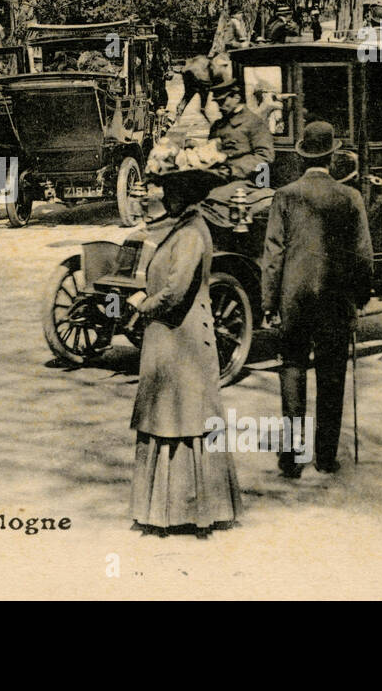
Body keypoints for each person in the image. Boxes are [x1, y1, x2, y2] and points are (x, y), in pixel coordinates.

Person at [128, 143, 241, 535]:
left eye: (166, 189)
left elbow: (175, 292)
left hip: (185, 340)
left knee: (184, 420)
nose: (159, 195)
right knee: (169, 418)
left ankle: (190, 511)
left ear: (183, 193)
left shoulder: (192, 233)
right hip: (171, 341)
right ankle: (166, 510)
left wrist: (142, 304)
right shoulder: (180, 227)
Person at [261, 122, 373, 477]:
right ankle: (325, 456)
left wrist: (269, 303)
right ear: (331, 155)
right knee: (332, 375)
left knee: (292, 369)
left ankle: (293, 457)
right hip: (336, 300)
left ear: (302, 155)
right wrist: (361, 297)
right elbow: (363, 255)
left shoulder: (285, 195)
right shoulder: (350, 196)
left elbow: (274, 254)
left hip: (294, 300)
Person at [206, 77, 274, 182]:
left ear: (236, 97)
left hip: (245, 181)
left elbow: (264, 157)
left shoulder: (254, 122)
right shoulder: (218, 125)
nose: (219, 107)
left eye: (223, 101)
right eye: (218, 102)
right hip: (216, 176)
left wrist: (232, 170)